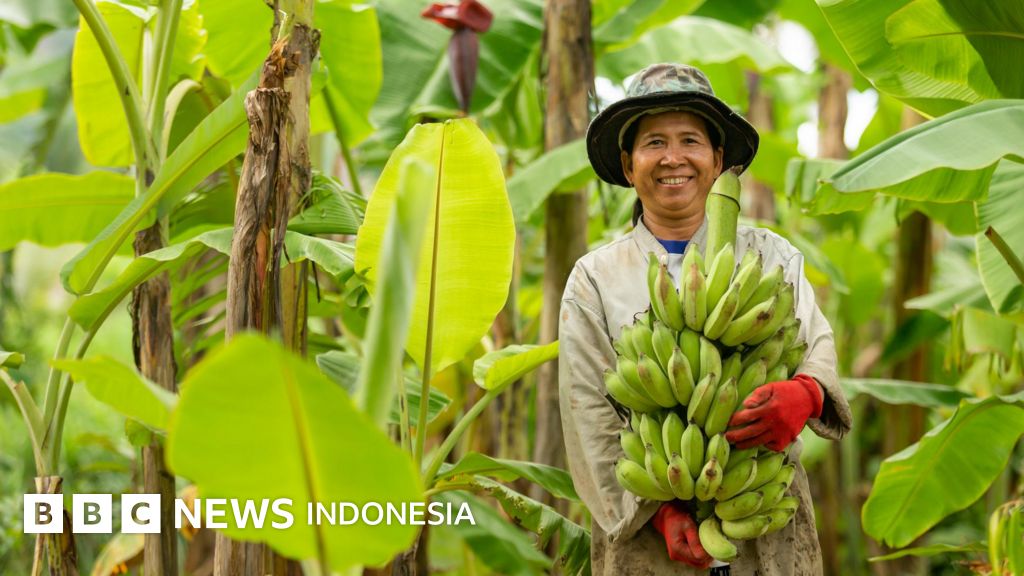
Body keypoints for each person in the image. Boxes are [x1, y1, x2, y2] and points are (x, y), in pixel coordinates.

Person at [558, 63, 853, 575]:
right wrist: (657, 512)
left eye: (690, 140)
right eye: (654, 143)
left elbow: (816, 343)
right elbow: (588, 415)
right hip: (649, 531)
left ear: (717, 160)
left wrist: (807, 392)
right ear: (629, 166)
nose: (674, 158)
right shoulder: (596, 278)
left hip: (760, 509)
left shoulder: (771, 259)